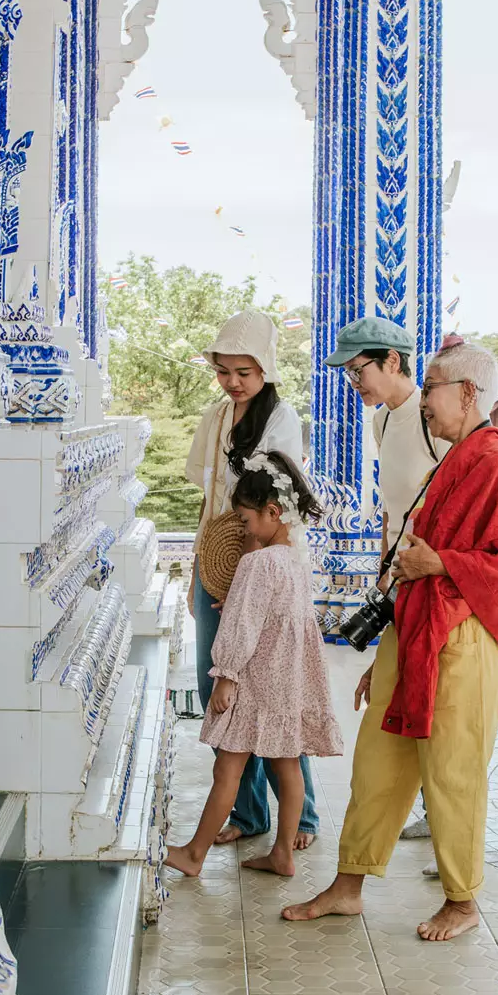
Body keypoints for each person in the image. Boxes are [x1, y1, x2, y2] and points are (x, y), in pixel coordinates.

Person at [283, 336, 498, 941]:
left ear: (469, 392)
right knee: (378, 760)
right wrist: (389, 650)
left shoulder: (497, 460)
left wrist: (442, 566)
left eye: (432, 389)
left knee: (453, 771)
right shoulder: (458, 456)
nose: (424, 400)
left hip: (464, 636)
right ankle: (348, 884)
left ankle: (463, 899)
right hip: (416, 629)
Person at [165, 452, 344, 879]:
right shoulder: (298, 563)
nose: (244, 530)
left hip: (255, 682)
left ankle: (193, 855)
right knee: (287, 766)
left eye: (246, 521)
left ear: (273, 511)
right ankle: (283, 852)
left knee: (227, 767)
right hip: (289, 683)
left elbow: (241, 625)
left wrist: (226, 675)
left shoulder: (257, 563)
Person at [184, 309, 321, 848]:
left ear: (265, 369)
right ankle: (249, 812)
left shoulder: (280, 418)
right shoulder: (216, 418)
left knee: (274, 695)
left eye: (244, 371)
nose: (234, 382)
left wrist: (243, 582)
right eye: (225, 371)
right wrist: (205, 568)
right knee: (214, 685)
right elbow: (208, 494)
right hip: (217, 557)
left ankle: (302, 816)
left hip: (262, 563)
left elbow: (270, 506)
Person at [322, 317, 447, 856]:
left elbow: (448, 502)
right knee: (401, 691)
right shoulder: (381, 423)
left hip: (434, 580)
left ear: (392, 361)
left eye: (360, 370)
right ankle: (419, 806)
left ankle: (444, 814)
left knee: (439, 697)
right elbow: (392, 509)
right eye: (349, 373)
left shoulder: (429, 418)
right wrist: (383, 568)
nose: (356, 383)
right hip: (399, 578)